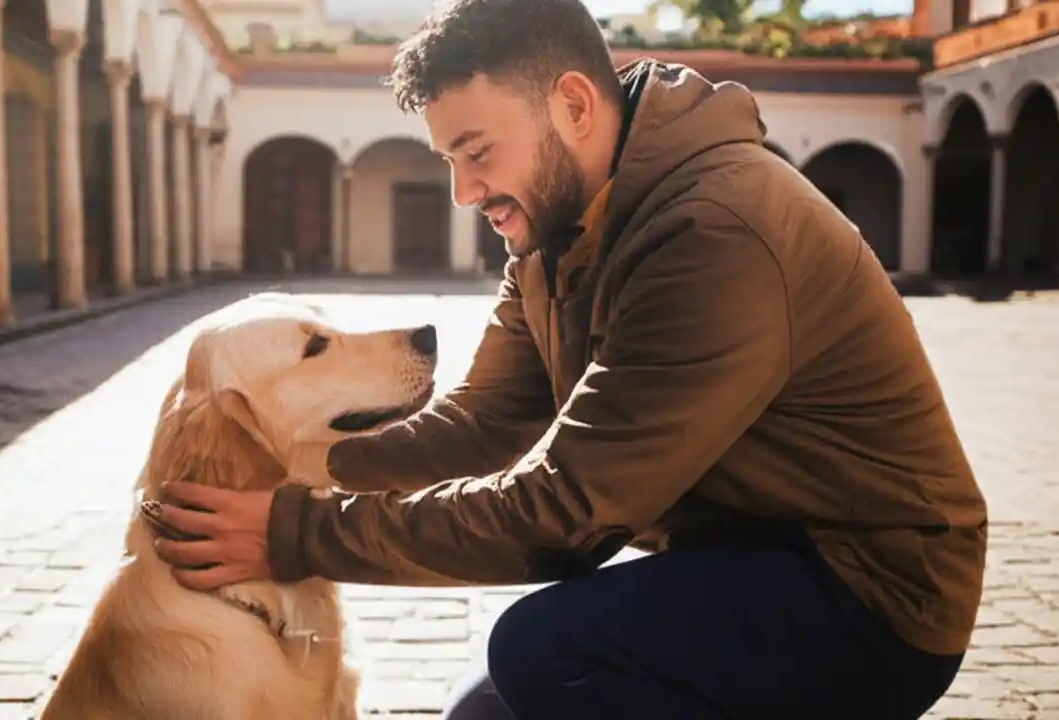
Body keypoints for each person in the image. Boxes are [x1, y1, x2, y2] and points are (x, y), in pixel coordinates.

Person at [143, 0, 988, 717]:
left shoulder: (715, 230)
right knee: (484, 712)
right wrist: (295, 463)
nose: (464, 193)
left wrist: (296, 534)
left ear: (574, 105)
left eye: (478, 152)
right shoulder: (558, 229)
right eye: (449, 162)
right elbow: (484, 422)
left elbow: (564, 515)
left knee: (543, 649)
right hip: (743, 556)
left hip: (871, 597)